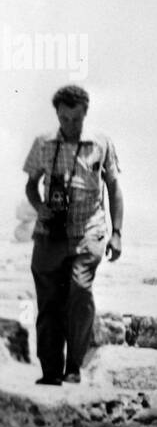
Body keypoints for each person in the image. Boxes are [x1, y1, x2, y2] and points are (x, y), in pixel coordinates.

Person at [23, 85, 123, 386]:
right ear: (57, 114)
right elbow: (31, 185)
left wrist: (117, 232)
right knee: (49, 300)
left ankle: (74, 365)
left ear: (85, 114)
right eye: (64, 119)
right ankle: (50, 371)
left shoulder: (101, 143)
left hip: (88, 230)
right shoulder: (43, 143)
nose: (69, 125)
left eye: (76, 120)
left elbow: (115, 189)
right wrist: (40, 206)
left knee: (80, 291)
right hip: (50, 234)